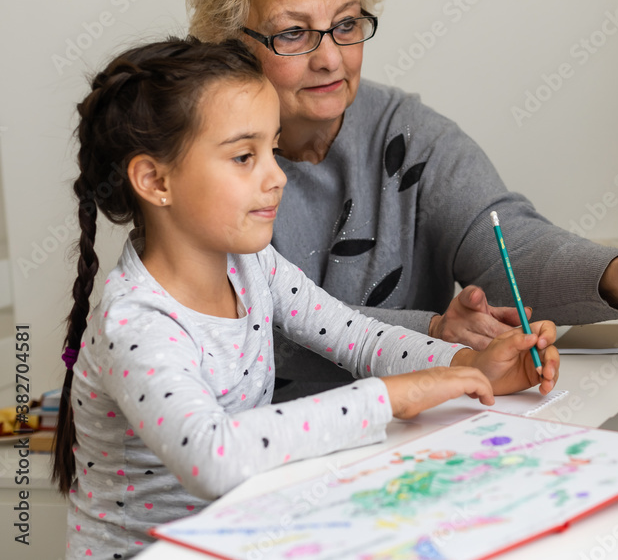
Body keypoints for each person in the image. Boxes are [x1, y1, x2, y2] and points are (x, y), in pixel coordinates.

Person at [185, 0, 618, 400]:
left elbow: (507, 245)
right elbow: (247, 324)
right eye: (294, 33)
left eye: (347, 24)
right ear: (233, 43)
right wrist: (433, 334)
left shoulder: (407, 132)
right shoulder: (198, 158)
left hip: (406, 446)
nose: (330, 58)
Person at [50, 37, 559, 559]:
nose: (276, 177)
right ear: (155, 180)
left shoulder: (251, 265)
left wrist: (472, 363)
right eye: (244, 157)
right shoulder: (136, 323)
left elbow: (354, 335)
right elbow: (213, 457)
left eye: (272, 150)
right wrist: (390, 396)